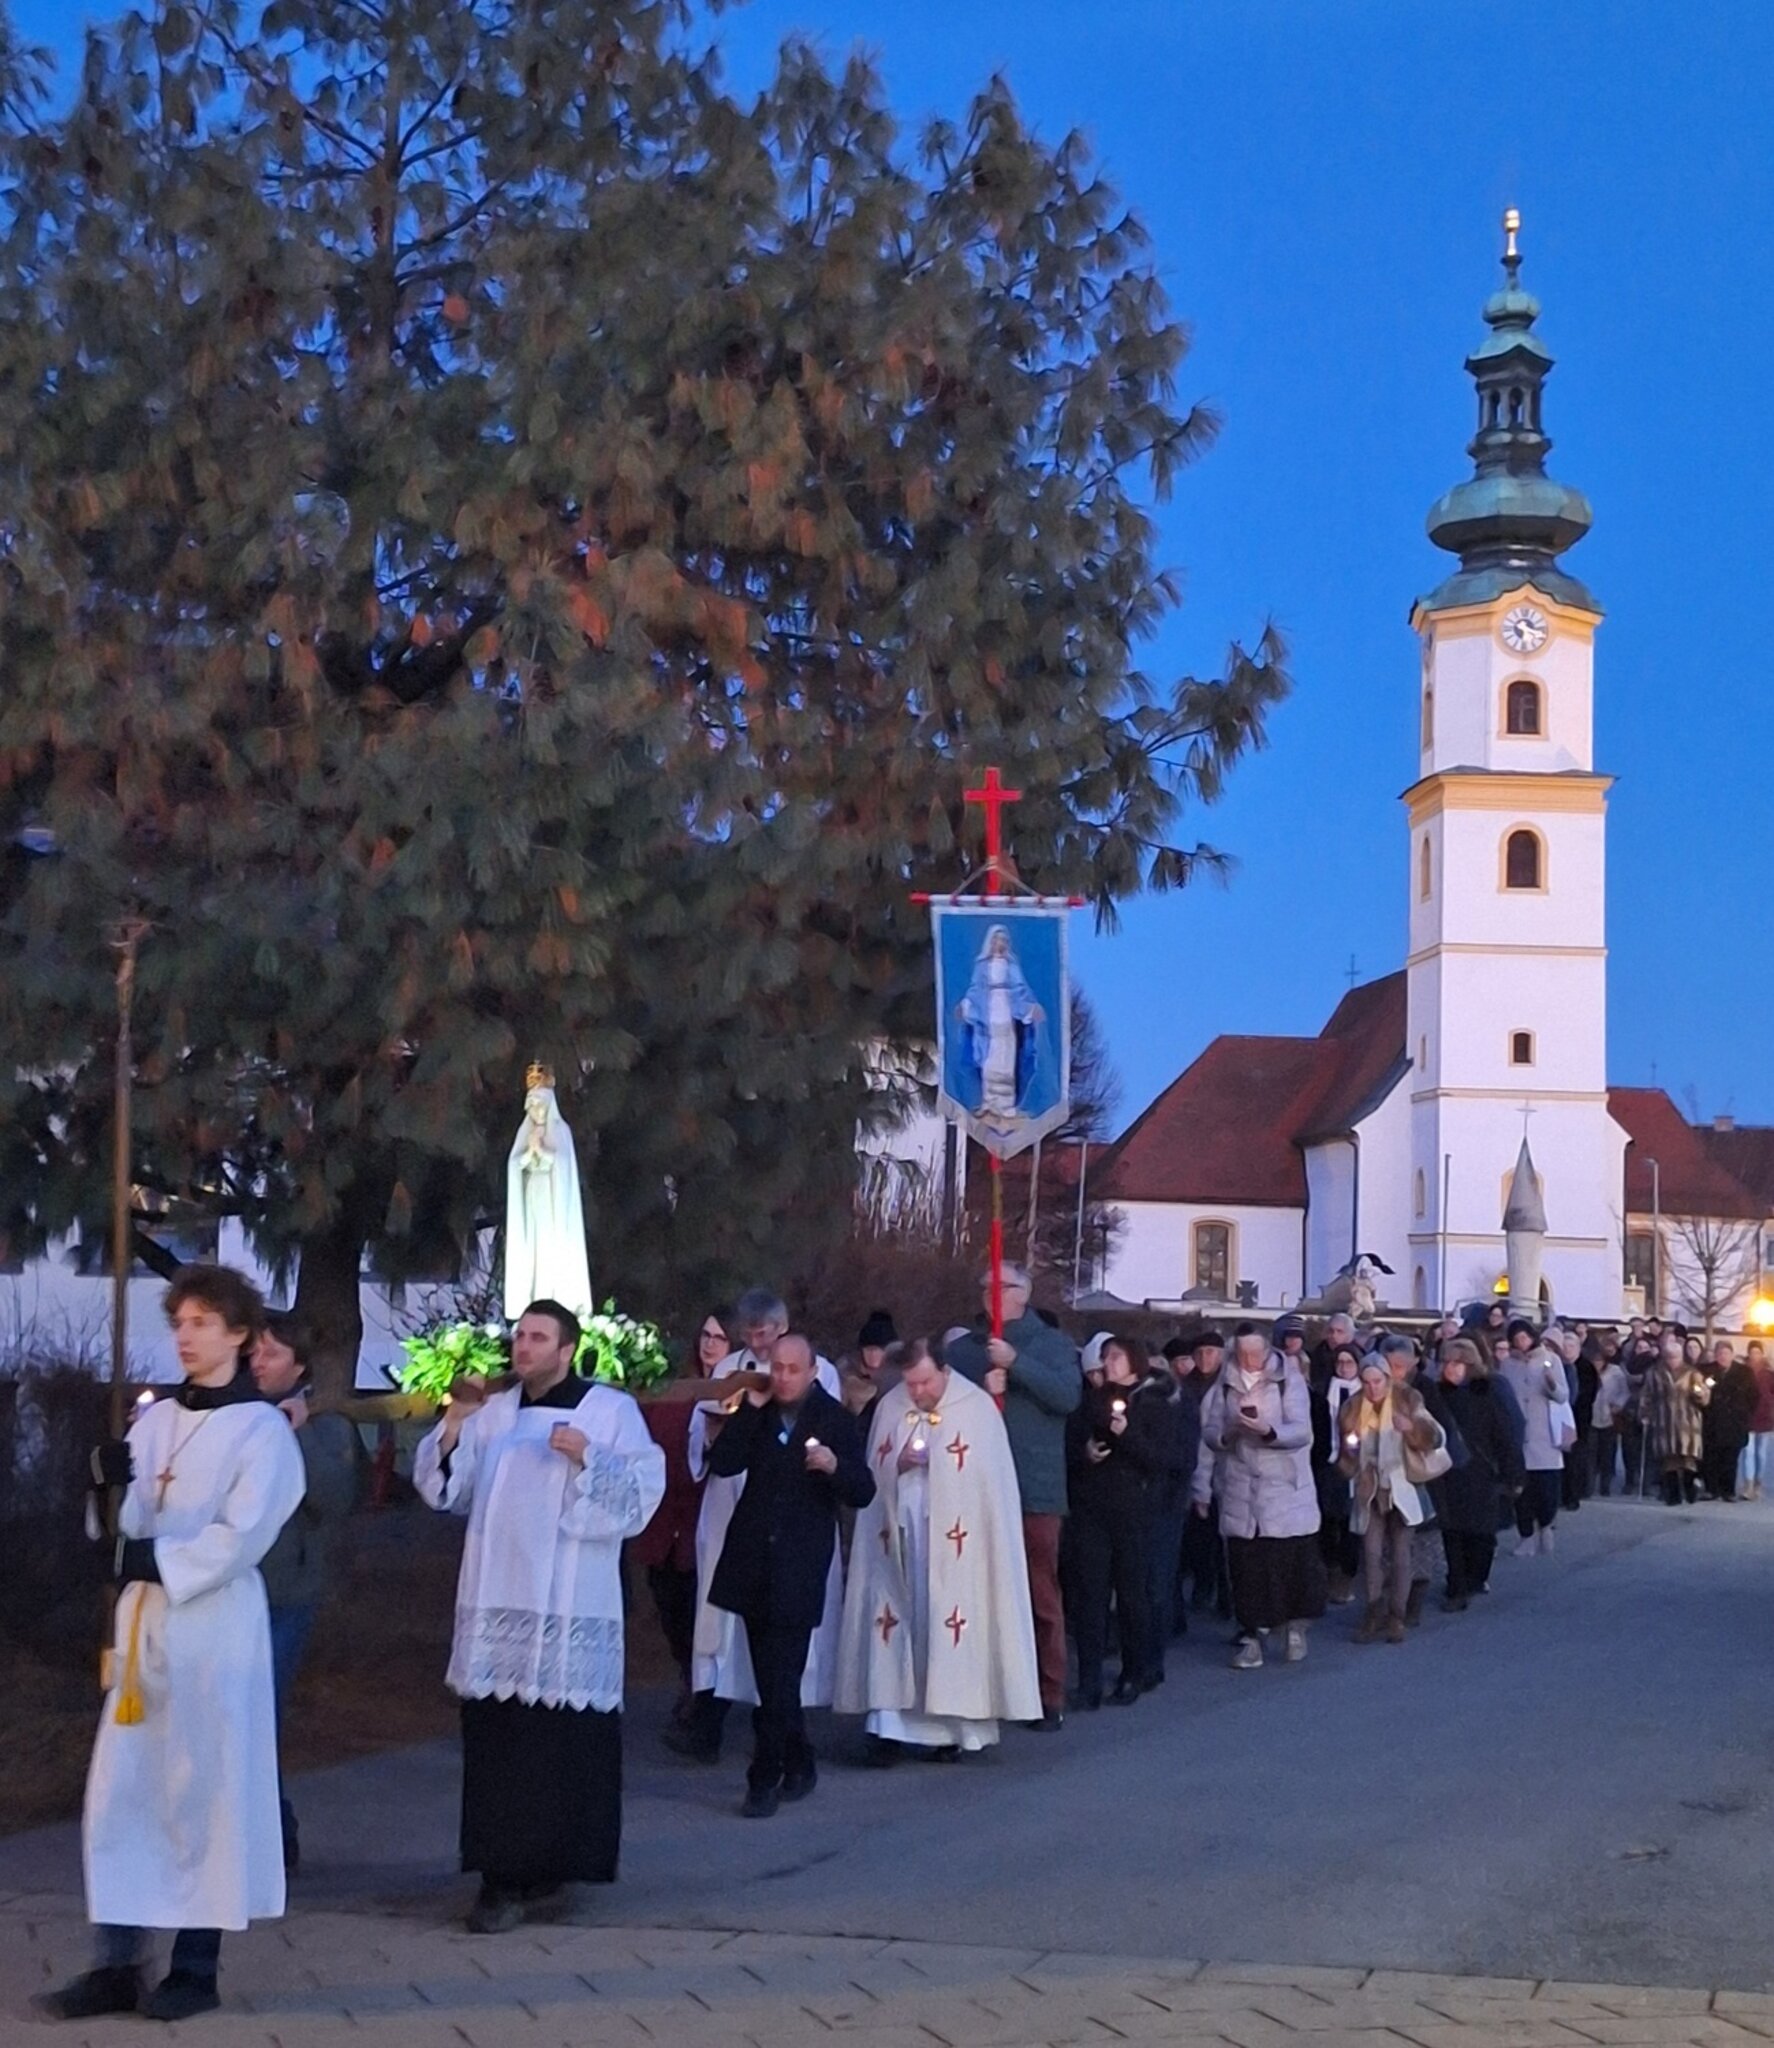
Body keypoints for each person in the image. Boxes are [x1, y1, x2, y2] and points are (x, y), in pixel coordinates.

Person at [37, 1267, 304, 2024]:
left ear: (241, 1334)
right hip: (143, 1633)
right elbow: (123, 1526)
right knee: (125, 1795)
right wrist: (103, 1488)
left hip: (213, 1629)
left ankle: (195, 1967)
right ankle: (117, 1961)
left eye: (203, 1323)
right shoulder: (152, 1422)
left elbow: (245, 1532)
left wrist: (153, 1560)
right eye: (179, 1321)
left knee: (203, 1792)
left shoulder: (262, 1432)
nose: (185, 1336)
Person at [415, 1300, 665, 1932]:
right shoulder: (493, 1413)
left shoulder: (608, 1412)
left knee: (560, 1747)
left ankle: (555, 1866)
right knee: (501, 1745)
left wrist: (589, 1458)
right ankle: (500, 1879)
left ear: (566, 1348)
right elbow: (446, 1491)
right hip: (499, 1597)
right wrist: (451, 1425)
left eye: (537, 1337)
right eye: (518, 1336)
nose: (522, 1347)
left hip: (569, 1603)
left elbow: (640, 1497)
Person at [836, 1338, 1038, 1758]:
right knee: (894, 1623)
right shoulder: (891, 1406)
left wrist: (941, 1463)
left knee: (949, 1626)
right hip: (899, 1542)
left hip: (959, 1550)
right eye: (910, 1384)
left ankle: (952, 1729)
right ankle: (888, 1726)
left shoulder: (977, 1410)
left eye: (925, 1382)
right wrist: (899, 1465)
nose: (918, 1392)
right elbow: (873, 1473)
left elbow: (989, 1488)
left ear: (943, 1372)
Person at [706, 1333, 874, 1816]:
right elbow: (723, 1464)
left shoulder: (834, 1420)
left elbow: (862, 1490)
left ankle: (764, 1777)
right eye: (775, 1368)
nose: (782, 1377)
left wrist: (834, 1465)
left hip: (799, 1563)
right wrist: (745, 1414)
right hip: (753, 1559)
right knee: (771, 1677)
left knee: (784, 1671)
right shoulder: (758, 1414)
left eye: (791, 1369)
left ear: (811, 1371)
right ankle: (799, 1758)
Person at [675, 1288, 843, 1762]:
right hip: (733, 1511)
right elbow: (704, 1439)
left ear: (782, 1327)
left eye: (765, 1331)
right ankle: (711, 1719)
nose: (758, 1341)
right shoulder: (730, 1372)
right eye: (749, 1332)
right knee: (724, 1622)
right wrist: (712, 1429)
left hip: (793, 1516)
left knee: (783, 1637)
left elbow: (825, 1429)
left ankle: (788, 1739)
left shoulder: (816, 1370)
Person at [248, 1311, 362, 1874]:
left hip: (283, 1594)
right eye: (254, 1350)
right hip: (228, 1589)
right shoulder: (234, 1414)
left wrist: (297, 1433)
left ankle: (271, 1832)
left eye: (271, 1353)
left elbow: (333, 1499)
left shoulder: (323, 1425)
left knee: (258, 1714)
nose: (257, 1361)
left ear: (299, 1366)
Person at [946, 1264, 1081, 1730]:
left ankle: (1048, 1692)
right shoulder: (962, 1350)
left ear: (1024, 1293)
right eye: (986, 1286)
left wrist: (1016, 1365)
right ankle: (981, 1686)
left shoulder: (1053, 1345)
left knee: (1038, 1592)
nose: (993, 1294)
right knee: (974, 1591)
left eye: (1003, 1286)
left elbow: (1066, 1397)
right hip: (973, 1486)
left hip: (1032, 1488)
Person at [1062, 1336, 1186, 1708]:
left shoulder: (1155, 1405)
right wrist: (1084, 1453)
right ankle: (1088, 1682)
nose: (1108, 1362)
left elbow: (1161, 1459)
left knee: (1132, 1595)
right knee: (1090, 1597)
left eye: (1115, 1356)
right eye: (1105, 1356)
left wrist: (1125, 1434)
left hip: (1133, 1511)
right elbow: (1071, 1444)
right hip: (1091, 1511)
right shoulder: (1092, 1400)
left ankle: (1135, 1671)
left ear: (1133, 1360)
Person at [1191, 1326, 1324, 1670]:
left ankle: (1294, 1627)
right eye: (1244, 1354)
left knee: (1288, 1563)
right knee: (1246, 1567)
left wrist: (1270, 1431)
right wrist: (1229, 1433)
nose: (1250, 1360)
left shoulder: (1288, 1380)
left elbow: (1302, 1430)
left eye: (1256, 1353)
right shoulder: (1224, 1383)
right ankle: (1251, 1634)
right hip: (1240, 1488)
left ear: (1267, 1351)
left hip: (1284, 1488)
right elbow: (1209, 1432)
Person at [633, 1310, 729, 1727]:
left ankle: (704, 1695)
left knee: (698, 1612)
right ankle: (688, 1678)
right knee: (669, 1606)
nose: (709, 1344)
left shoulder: (736, 1391)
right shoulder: (676, 1389)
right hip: (664, 1522)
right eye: (706, 1335)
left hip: (703, 1522)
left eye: (720, 1338)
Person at [1339, 1355, 1443, 1645]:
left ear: (1387, 1379)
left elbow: (1436, 1437)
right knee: (1371, 1555)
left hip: (1402, 1486)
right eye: (1367, 1382)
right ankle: (1373, 1612)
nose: (1372, 1388)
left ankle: (1397, 1615)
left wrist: (1411, 1428)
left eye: (1377, 1381)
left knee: (1401, 1554)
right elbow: (1346, 1453)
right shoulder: (1353, 1407)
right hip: (1370, 1488)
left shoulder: (1407, 1399)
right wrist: (1352, 1448)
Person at [1430, 1340, 1524, 1607]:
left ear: (1470, 1365)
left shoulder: (1487, 1392)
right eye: (1447, 1362)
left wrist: (1513, 1474)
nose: (1451, 1368)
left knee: (1480, 1532)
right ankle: (1456, 1584)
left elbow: (1505, 1435)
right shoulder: (1438, 1394)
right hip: (1446, 1470)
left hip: (1481, 1472)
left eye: (1457, 1363)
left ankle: (1475, 1576)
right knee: (1451, 1529)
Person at [1175, 1327, 1233, 1620]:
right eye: (1199, 1352)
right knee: (1199, 1535)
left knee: (1225, 1536)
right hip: (1192, 1464)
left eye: (1210, 1352)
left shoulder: (1227, 1386)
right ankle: (1203, 1583)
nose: (1204, 1358)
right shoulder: (1185, 1386)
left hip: (1223, 1467)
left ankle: (1226, 1594)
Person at [1148, 1339, 1203, 1648]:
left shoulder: (1183, 1404)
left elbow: (1187, 1456)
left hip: (1169, 1496)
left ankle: (1164, 1629)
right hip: (1145, 1497)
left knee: (1164, 1568)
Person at [1498, 1320, 1568, 1556]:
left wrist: (1551, 1384)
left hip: (1544, 1434)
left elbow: (1562, 1396)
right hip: (1518, 1436)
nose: (1521, 1343)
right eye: (1516, 1339)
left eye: (1524, 1338)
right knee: (1521, 1492)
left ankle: (1546, 1525)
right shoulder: (1508, 1364)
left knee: (1546, 1489)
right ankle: (1526, 1535)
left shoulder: (1550, 1360)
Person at [1310, 1342, 1364, 1603]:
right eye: (1340, 1362)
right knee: (1327, 1520)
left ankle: (1346, 1575)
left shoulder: (1365, 1392)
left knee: (1350, 1523)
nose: (1343, 1368)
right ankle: (1329, 1571)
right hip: (1327, 1462)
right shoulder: (1323, 1391)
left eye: (1349, 1363)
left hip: (1358, 1466)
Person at [1643, 1330, 1711, 1505]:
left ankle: (1690, 1491)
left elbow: (1703, 1396)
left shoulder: (1692, 1373)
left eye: (1675, 1357)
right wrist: (1644, 1414)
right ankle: (1673, 1495)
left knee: (1687, 1458)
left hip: (1687, 1421)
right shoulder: (1654, 1373)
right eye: (1669, 1357)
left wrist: (1699, 1392)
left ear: (1681, 1356)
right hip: (1664, 1421)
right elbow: (1647, 1395)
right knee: (1669, 1460)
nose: (1672, 1360)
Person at [1701, 1339, 1757, 1502]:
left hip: (1734, 1422)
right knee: (1711, 1457)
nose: (1723, 1357)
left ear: (1732, 1354)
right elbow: (1699, 1389)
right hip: (1712, 1422)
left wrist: (1745, 1413)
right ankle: (1711, 1489)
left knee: (1730, 1458)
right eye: (1719, 1353)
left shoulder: (1744, 1372)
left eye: (1726, 1353)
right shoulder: (1708, 1371)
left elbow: (1754, 1396)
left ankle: (1728, 1491)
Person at [1591, 1341, 1632, 1498]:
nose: (1597, 1364)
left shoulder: (1615, 1372)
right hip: (1592, 1416)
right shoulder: (1588, 1372)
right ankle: (1589, 1484)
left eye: (1600, 1360)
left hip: (1609, 1416)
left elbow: (1625, 1392)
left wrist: (1618, 1405)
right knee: (1592, 1453)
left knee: (1608, 1453)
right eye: (1595, 1361)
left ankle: (1605, 1485)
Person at [1741, 1342, 1774, 1501]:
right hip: (1748, 1417)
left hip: (1765, 1417)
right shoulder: (1743, 1372)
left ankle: (1758, 1484)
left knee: (1761, 1454)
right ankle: (1748, 1484)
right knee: (1748, 1451)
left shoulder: (1769, 1374)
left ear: (1762, 1354)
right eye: (1752, 1352)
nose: (1755, 1355)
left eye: (1757, 1352)